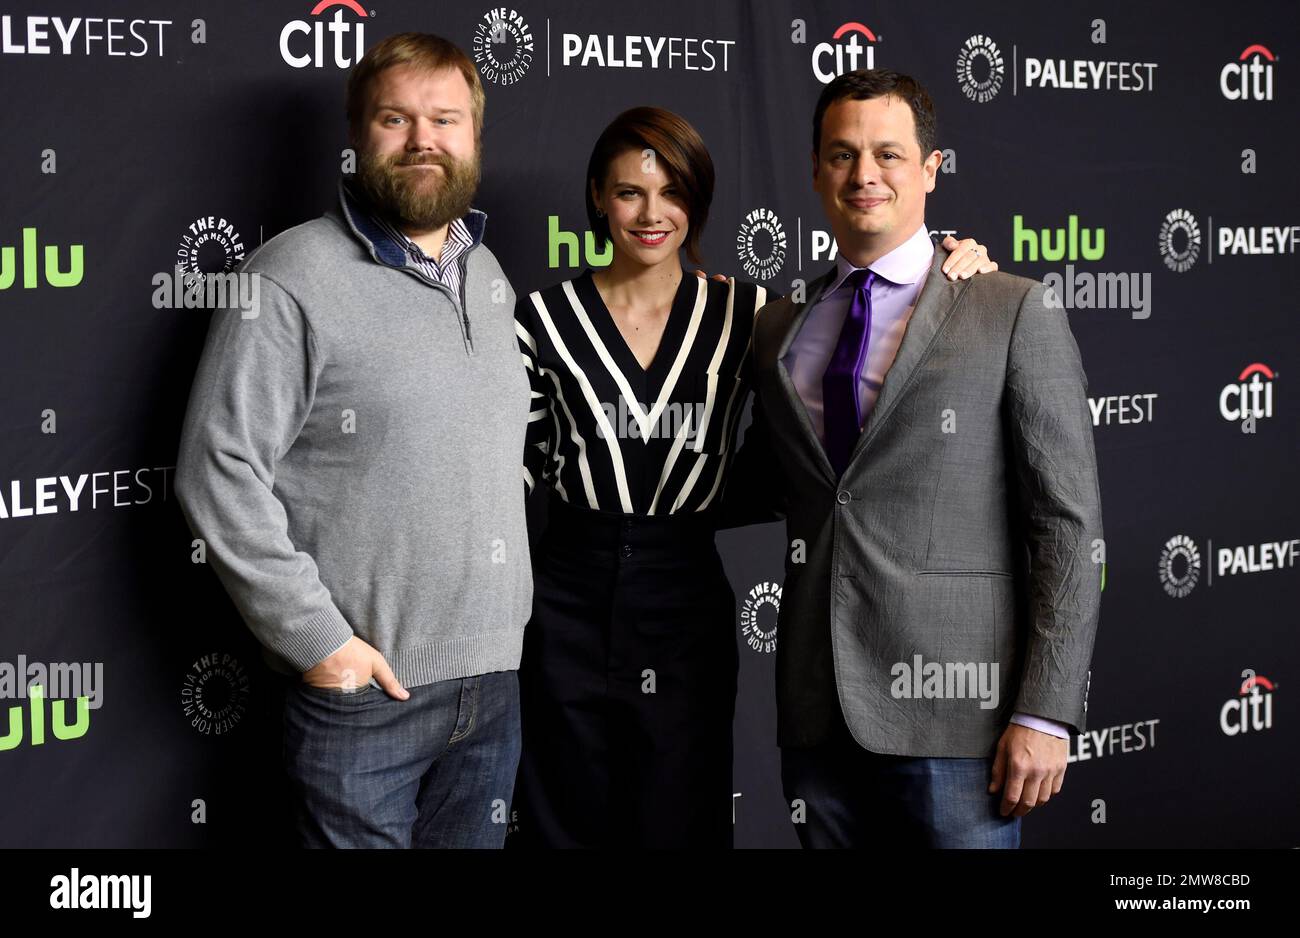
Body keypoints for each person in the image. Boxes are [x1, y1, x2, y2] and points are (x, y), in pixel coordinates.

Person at [509, 105, 998, 848]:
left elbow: (844, 367)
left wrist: (961, 259)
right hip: (563, 592)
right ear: (598, 198)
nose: (652, 213)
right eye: (629, 192)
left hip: (682, 592)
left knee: (685, 818)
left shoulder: (754, 312)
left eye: (673, 192)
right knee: (558, 821)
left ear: (697, 202)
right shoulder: (538, 318)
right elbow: (510, 475)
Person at [174, 33, 530, 848]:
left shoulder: (488, 273)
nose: (422, 140)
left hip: (493, 691)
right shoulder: (289, 278)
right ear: (358, 133)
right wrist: (323, 644)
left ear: (474, 136)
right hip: (365, 701)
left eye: (445, 119)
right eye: (395, 119)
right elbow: (215, 469)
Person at [747, 69, 1104, 848]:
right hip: (817, 716)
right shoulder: (777, 330)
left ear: (931, 169)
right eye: (841, 156)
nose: (864, 175)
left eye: (888, 155)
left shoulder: (1010, 307)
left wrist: (1046, 712)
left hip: (959, 723)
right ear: (814, 171)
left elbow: (1068, 527)